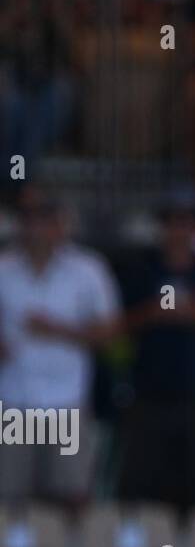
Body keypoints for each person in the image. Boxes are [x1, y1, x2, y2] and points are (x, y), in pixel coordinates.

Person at [116, 191, 195, 512]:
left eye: (186, 222)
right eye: (172, 222)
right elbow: (116, 325)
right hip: (148, 398)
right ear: (162, 227)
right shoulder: (139, 270)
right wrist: (154, 313)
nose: (179, 230)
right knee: (141, 491)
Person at [0, 188, 121, 506]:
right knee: (9, 501)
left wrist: (59, 330)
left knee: (70, 501)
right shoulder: (3, 267)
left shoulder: (88, 270)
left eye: (45, 217)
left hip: (66, 404)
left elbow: (111, 334)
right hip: (13, 404)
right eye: (29, 218)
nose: (36, 226)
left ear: (62, 223)